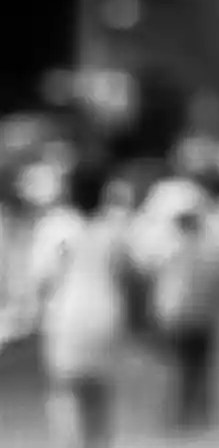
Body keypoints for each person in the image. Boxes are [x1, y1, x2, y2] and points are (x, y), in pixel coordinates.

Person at [28, 160, 132, 448]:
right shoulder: (114, 225)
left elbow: (41, 275)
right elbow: (124, 269)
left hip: (66, 317)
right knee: (102, 394)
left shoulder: (55, 226)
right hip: (106, 313)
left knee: (66, 393)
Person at [132, 173, 219, 431]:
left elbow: (148, 276)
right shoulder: (213, 248)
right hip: (204, 317)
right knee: (200, 367)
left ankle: (176, 415)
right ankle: (196, 412)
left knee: (177, 366)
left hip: (175, 315)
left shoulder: (166, 246)